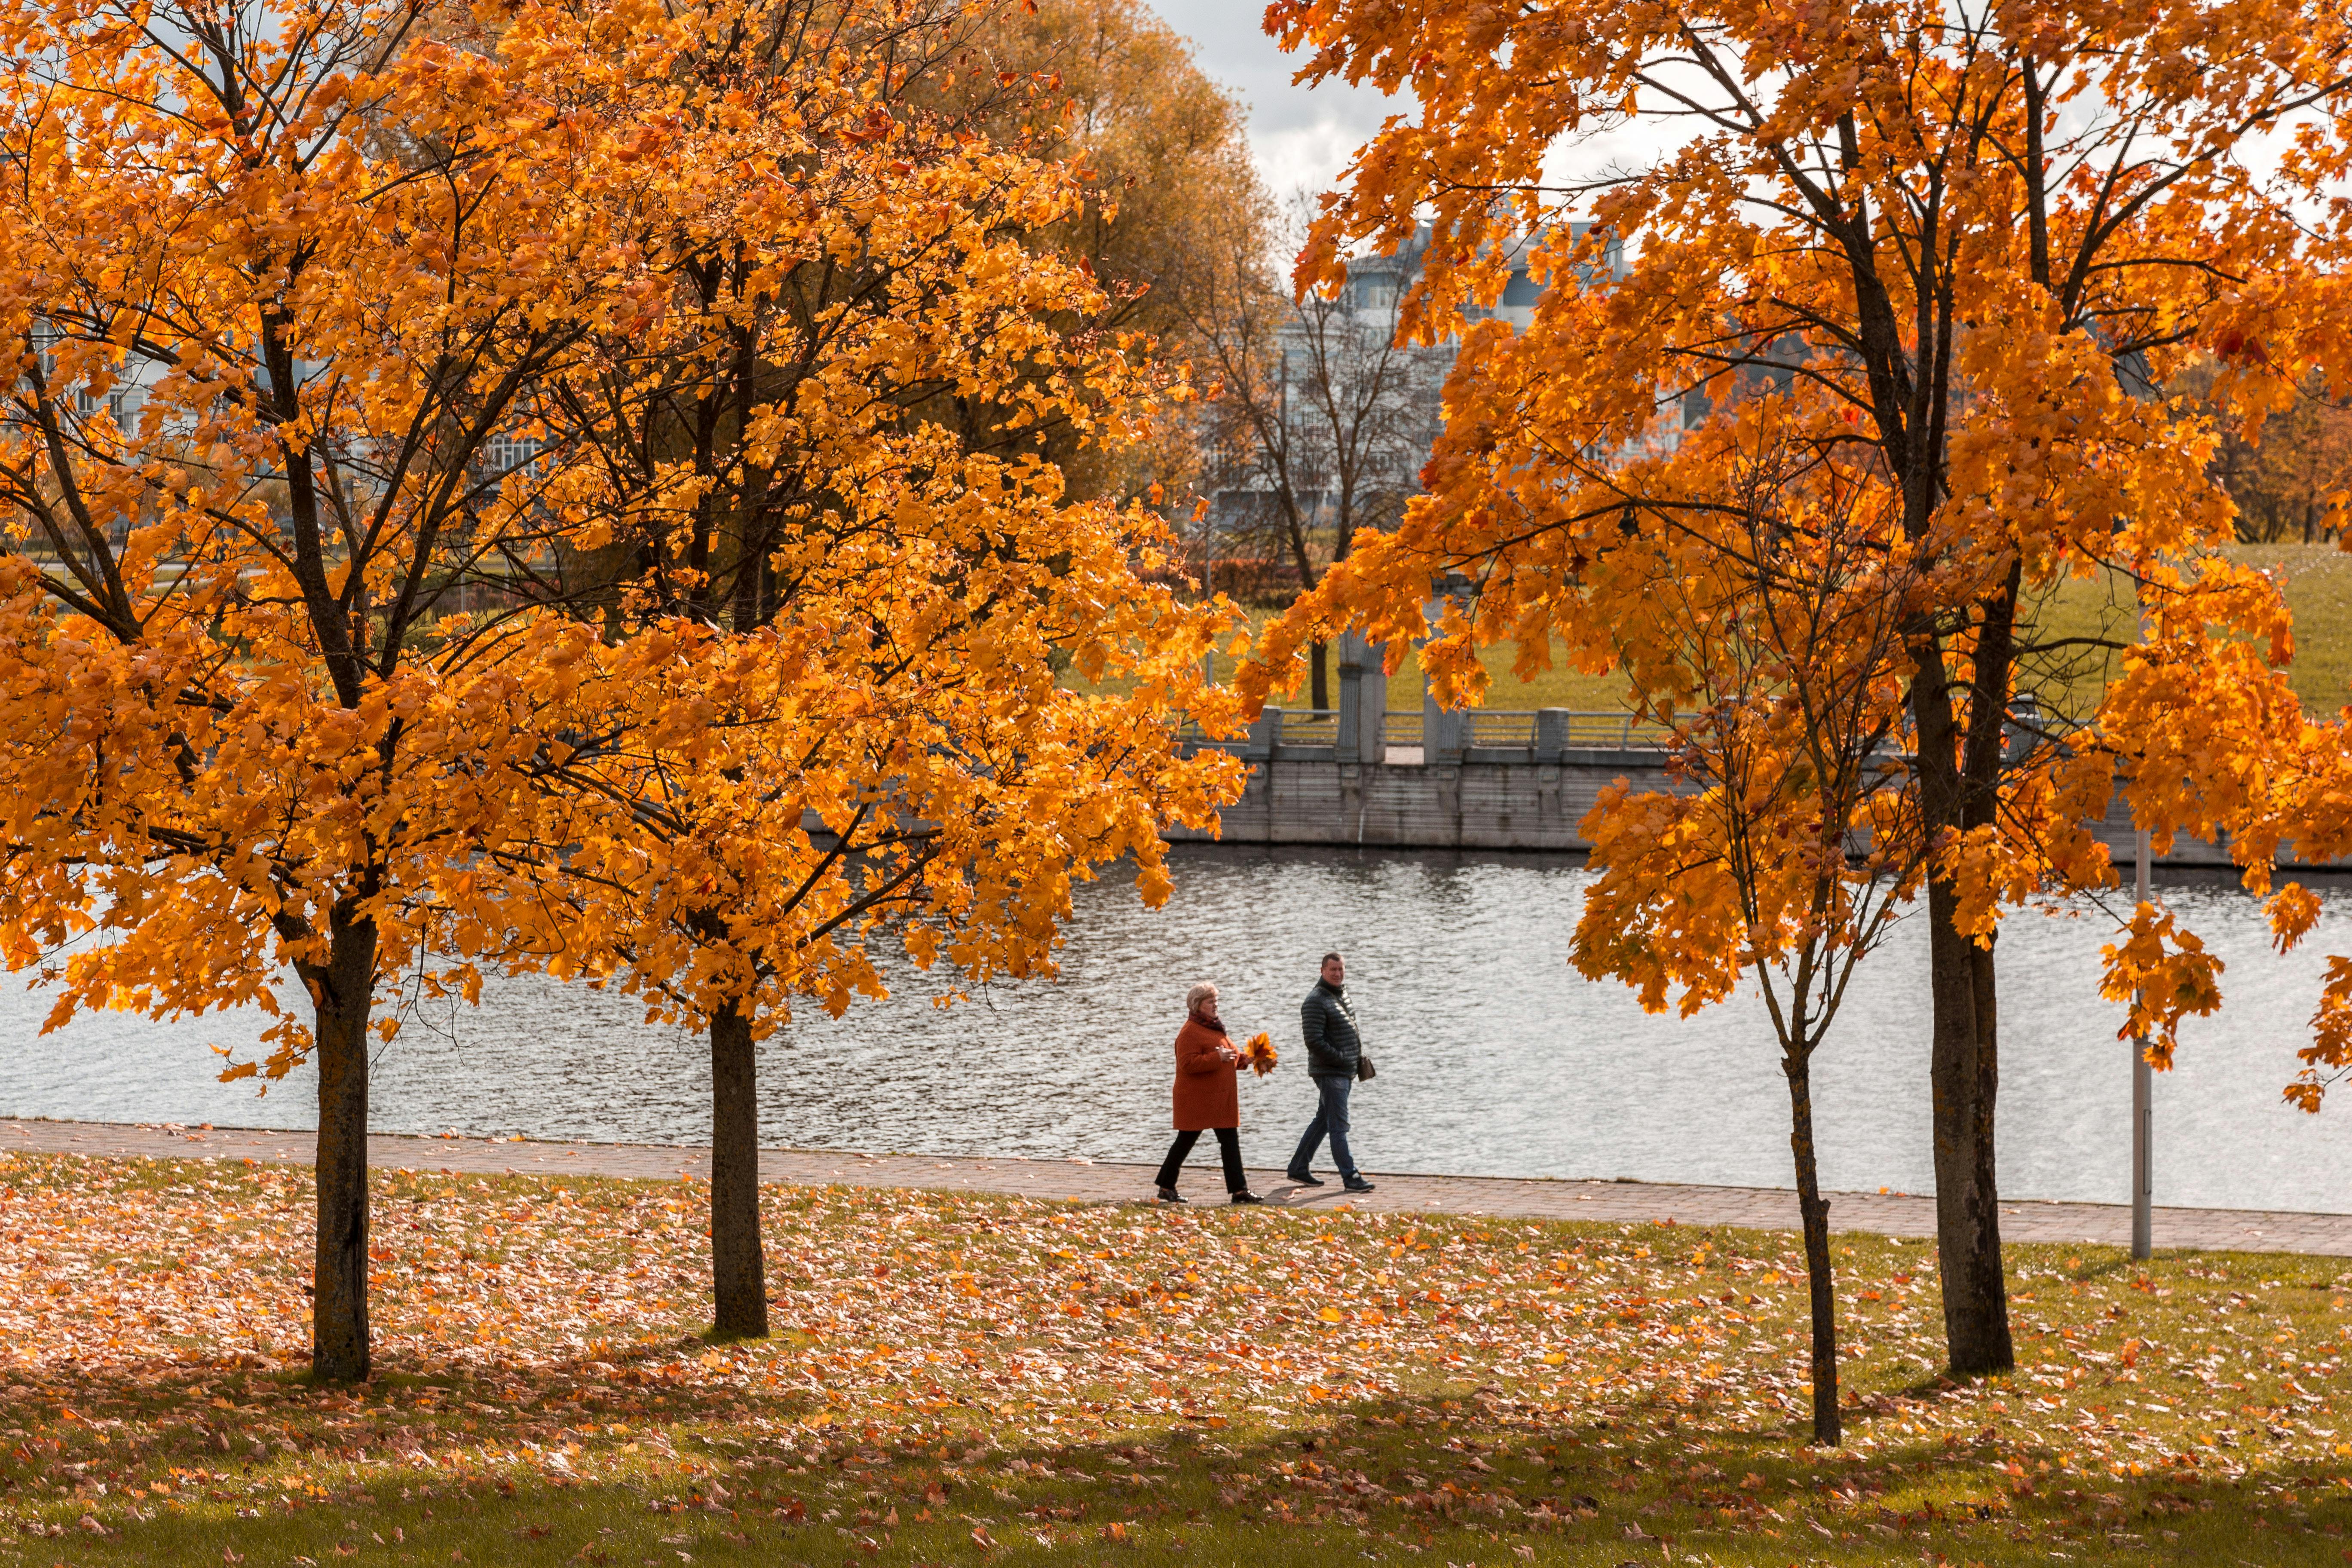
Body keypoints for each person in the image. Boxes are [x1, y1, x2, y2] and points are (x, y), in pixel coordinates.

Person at [1155, 982, 1263, 1205]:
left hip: (1218, 1099)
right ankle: (1166, 1187)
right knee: (1185, 1142)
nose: (1216, 1005)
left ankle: (1239, 1191)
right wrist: (1218, 1058)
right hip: (1197, 1099)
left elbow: (1228, 1056)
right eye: (1210, 1001)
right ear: (1198, 1005)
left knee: (1230, 1142)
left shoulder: (1214, 1027)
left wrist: (1244, 1059)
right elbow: (1187, 1064)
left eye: (1216, 1000)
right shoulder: (1189, 1032)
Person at [1287, 951, 1375, 1193]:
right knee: (1339, 1126)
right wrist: (1341, 1059)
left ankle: (1298, 1167)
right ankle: (1351, 1177)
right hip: (1330, 1072)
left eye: (1341, 969)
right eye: (1332, 970)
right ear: (1322, 971)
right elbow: (1313, 1041)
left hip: (1344, 1071)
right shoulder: (1315, 1000)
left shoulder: (1341, 994)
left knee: (1324, 1121)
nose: (1337, 974)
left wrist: (1351, 1060)